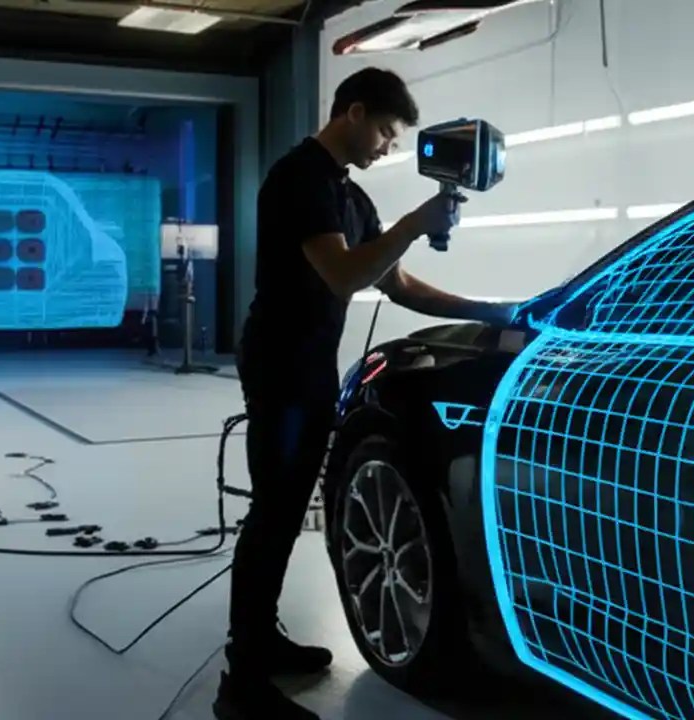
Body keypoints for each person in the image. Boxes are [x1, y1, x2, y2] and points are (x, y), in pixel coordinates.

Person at [213, 67, 516, 720]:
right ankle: (242, 682)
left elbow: (396, 283)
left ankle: (262, 639)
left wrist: (490, 312)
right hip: (280, 365)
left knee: (286, 511)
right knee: (273, 514)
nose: (387, 147)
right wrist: (413, 223)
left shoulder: (350, 196)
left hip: (312, 365)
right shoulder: (300, 178)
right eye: (383, 131)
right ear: (352, 113)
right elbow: (343, 274)